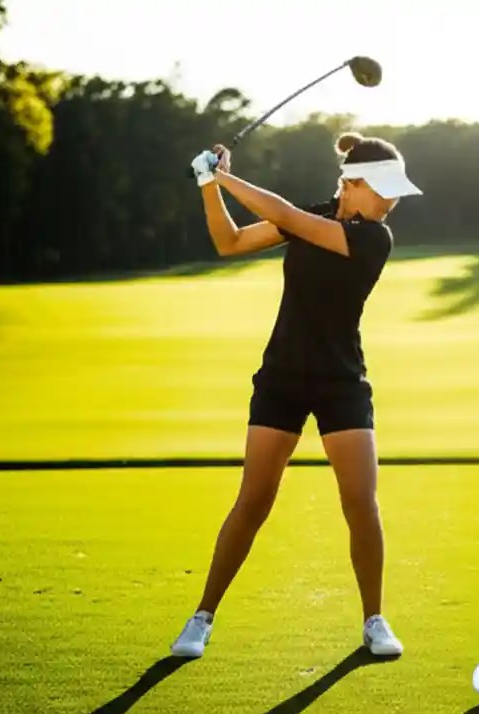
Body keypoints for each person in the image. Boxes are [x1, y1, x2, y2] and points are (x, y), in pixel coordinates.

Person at [170, 132, 423, 659]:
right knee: (254, 500)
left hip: (340, 380)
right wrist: (206, 185)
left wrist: (224, 175)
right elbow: (231, 243)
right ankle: (202, 617)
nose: (393, 201)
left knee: (360, 502)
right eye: (385, 190)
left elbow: (288, 214)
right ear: (353, 185)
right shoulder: (314, 215)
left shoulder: (375, 237)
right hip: (282, 376)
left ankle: (375, 620)